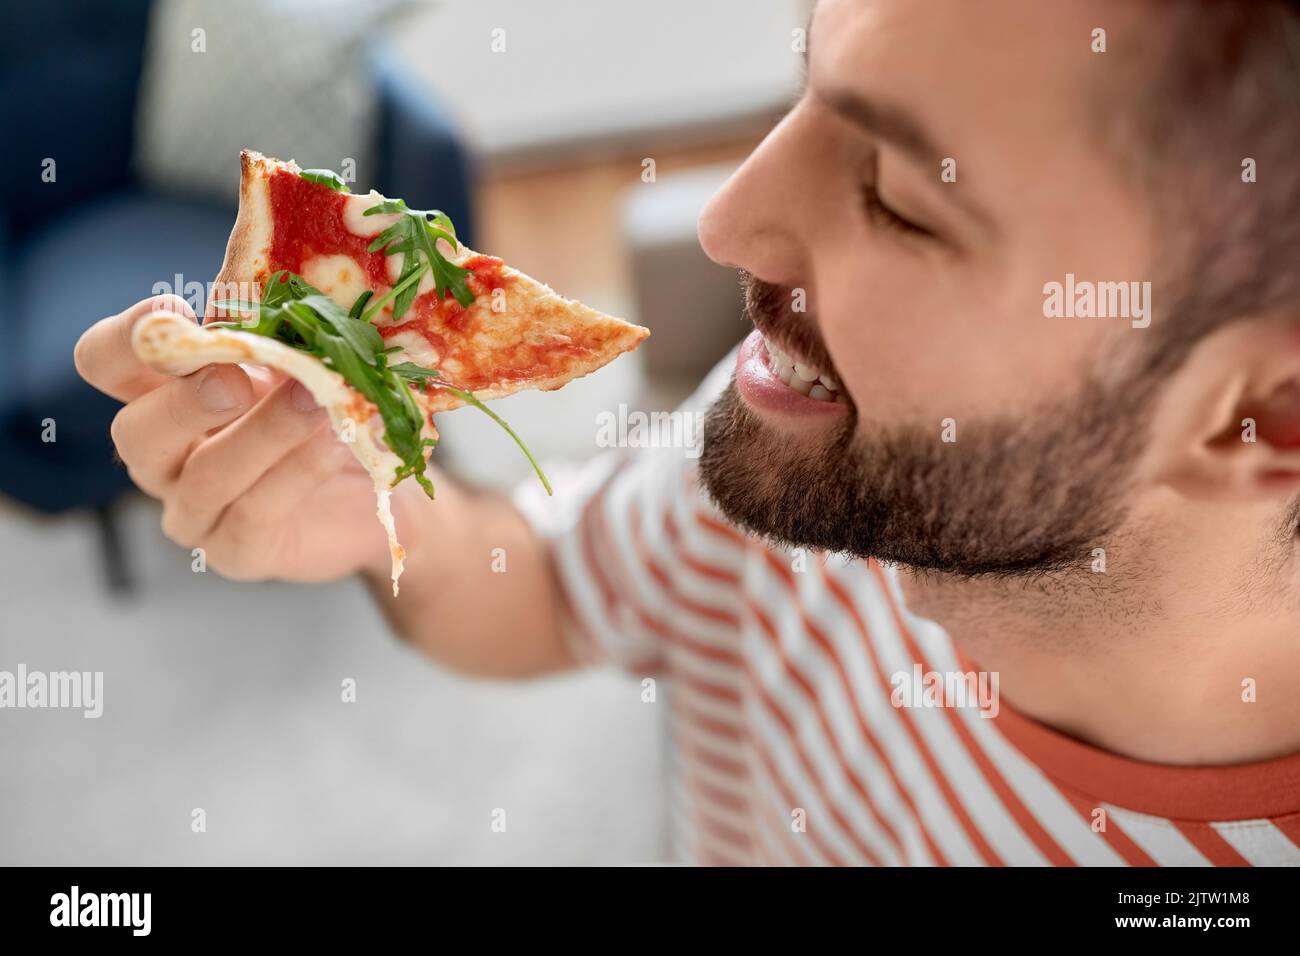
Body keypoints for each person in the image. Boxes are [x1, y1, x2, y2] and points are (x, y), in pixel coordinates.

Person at [76, 0, 1300, 865]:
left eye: (902, 201)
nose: (725, 220)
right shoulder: (823, 421)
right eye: (804, 81)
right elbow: (555, 588)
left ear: (1260, 415)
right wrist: (373, 508)